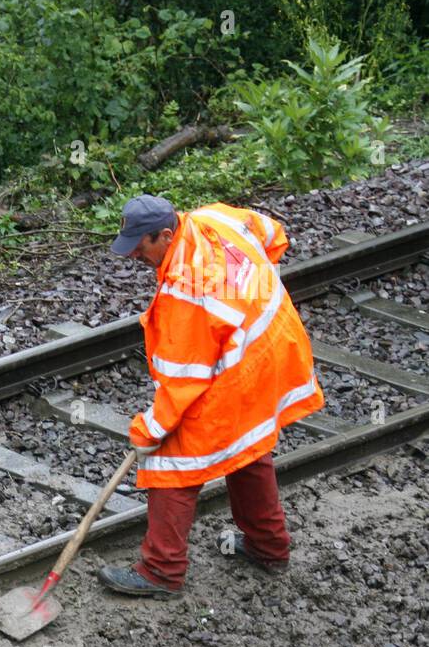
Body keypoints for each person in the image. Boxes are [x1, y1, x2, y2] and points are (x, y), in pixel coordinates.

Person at [99, 194, 324, 598]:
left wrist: (149, 430)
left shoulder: (185, 293)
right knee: (248, 447)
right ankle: (270, 549)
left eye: (141, 245)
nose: (133, 253)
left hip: (242, 370)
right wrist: (248, 294)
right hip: (277, 344)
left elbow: (183, 383)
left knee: (173, 459)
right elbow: (274, 236)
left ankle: (161, 572)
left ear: (166, 234)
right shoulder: (214, 218)